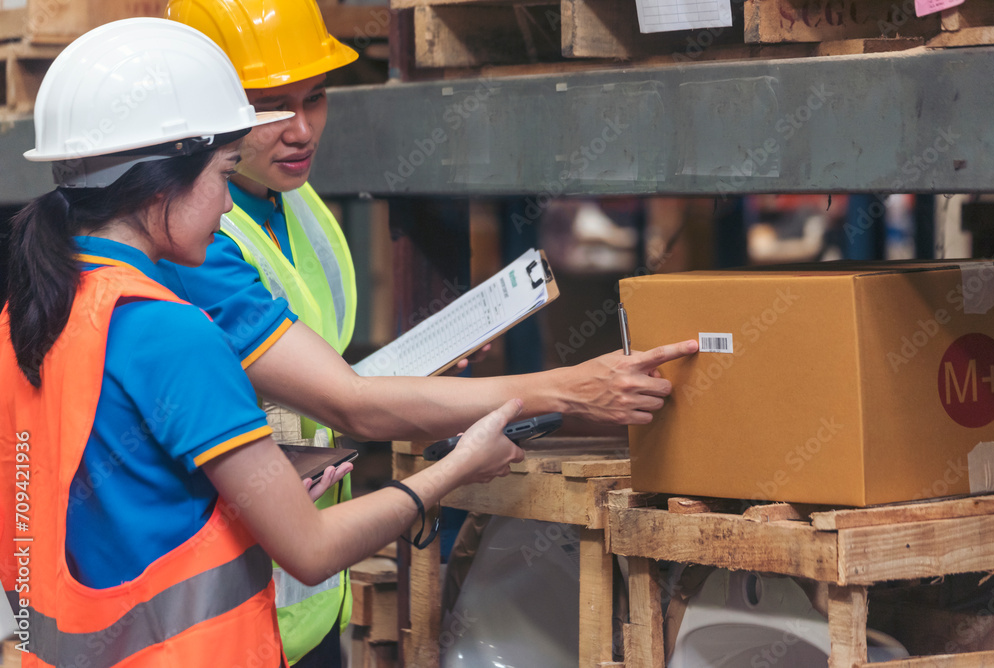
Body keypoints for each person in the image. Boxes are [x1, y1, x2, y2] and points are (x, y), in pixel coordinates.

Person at [159, 1, 697, 663]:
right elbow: (342, 402)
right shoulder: (199, 241)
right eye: (270, 105)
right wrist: (571, 390)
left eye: (317, 98)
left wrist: (419, 373)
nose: (301, 130)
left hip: (299, 592)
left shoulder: (290, 201)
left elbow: (316, 384)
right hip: (229, 605)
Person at [0, 18, 525, 668]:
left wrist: (232, 506)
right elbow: (309, 551)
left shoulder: (32, 309)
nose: (226, 206)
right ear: (161, 181)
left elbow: (96, 512)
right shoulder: (170, 330)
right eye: (222, 175)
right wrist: (461, 466)